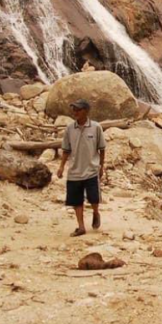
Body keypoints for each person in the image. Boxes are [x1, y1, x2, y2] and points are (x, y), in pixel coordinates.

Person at [56, 99, 106, 236]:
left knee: (94, 198)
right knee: (76, 200)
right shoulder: (69, 129)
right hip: (74, 170)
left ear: (86, 111)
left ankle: (96, 212)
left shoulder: (96, 127)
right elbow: (66, 150)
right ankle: (81, 227)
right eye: (74, 110)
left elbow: (102, 149)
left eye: (78, 110)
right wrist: (61, 167)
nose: (75, 112)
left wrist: (101, 167)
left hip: (91, 169)